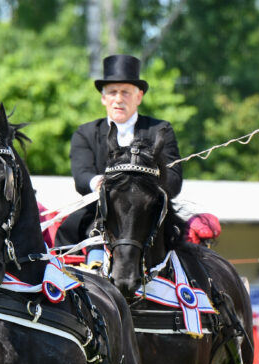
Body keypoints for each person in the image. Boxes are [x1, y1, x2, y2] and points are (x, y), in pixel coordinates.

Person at [55, 54, 183, 266]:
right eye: (112, 92)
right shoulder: (85, 133)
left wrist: (143, 189)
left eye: (125, 92)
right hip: (99, 214)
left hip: (150, 215)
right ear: (103, 98)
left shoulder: (160, 130)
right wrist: (101, 183)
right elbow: (82, 176)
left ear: (139, 97)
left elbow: (174, 180)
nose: (118, 99)